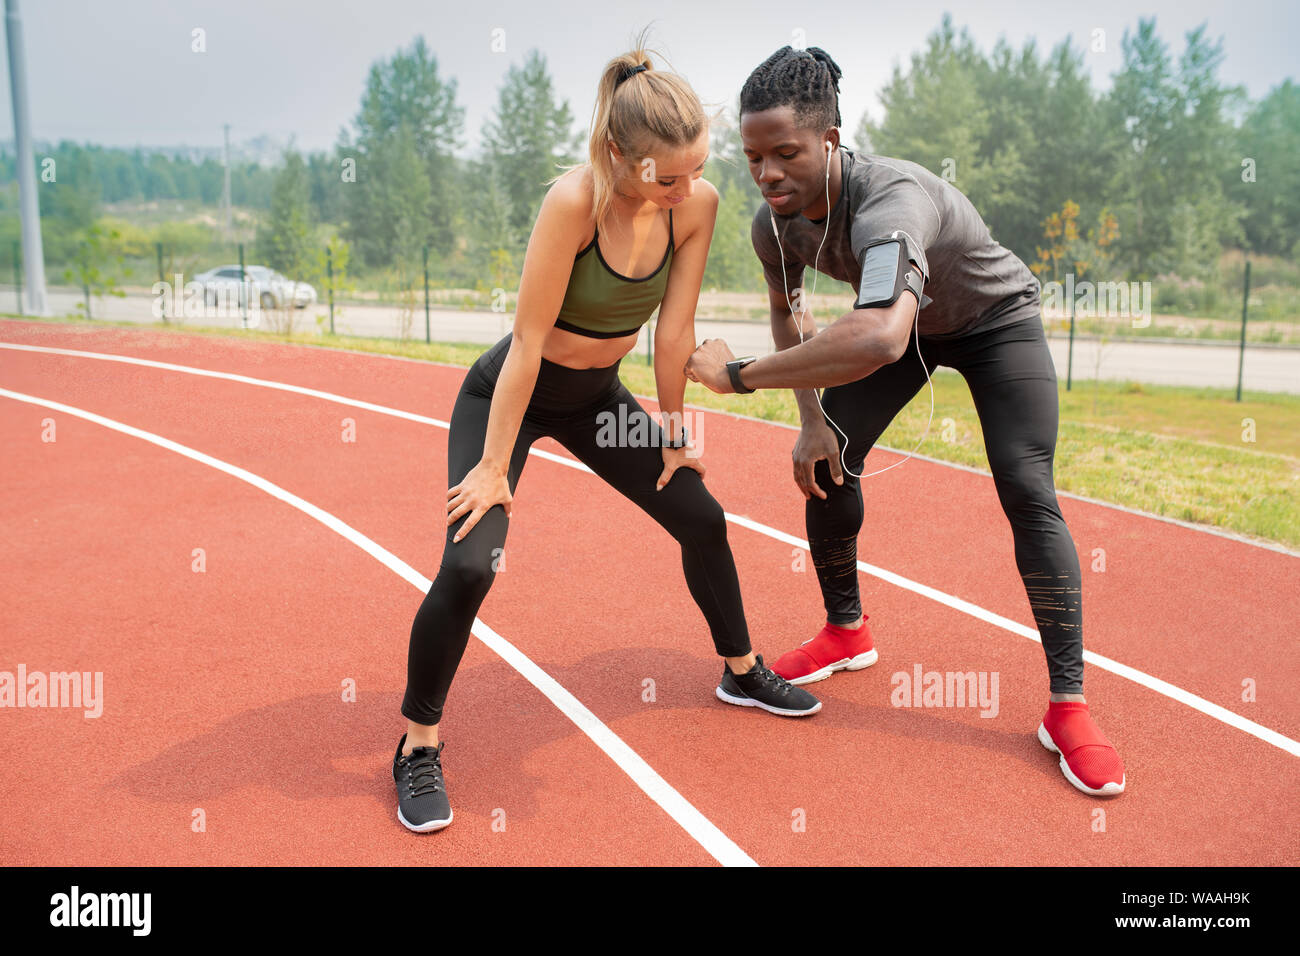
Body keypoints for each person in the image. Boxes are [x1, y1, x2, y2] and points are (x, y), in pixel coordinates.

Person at [393, 44, 821, 834]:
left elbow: (674, 333)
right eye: (668, 176)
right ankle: (419, 744)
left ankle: (740, 670)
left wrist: (673, 433)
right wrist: (493, 467)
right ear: (619, 155)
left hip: (597, 401)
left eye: (696, 171)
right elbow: (524, 346)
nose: (686, 189)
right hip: (512, 398)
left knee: (701, 516)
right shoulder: (572, 203)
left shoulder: (694, 204)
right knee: (469, 562)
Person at [684, 46, 1125, 796]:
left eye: (786, 153)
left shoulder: (891, 199)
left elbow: (879, 335)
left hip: (992, 321)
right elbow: (791, 315)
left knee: (1025, 486)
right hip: (907, 329)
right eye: (754, 157)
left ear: (830, 140)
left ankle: (1067, 706)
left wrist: (739, 378)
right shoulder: (774, 225)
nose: (768, 174)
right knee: (826, 464)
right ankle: (846, 630)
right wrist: (811, 419)